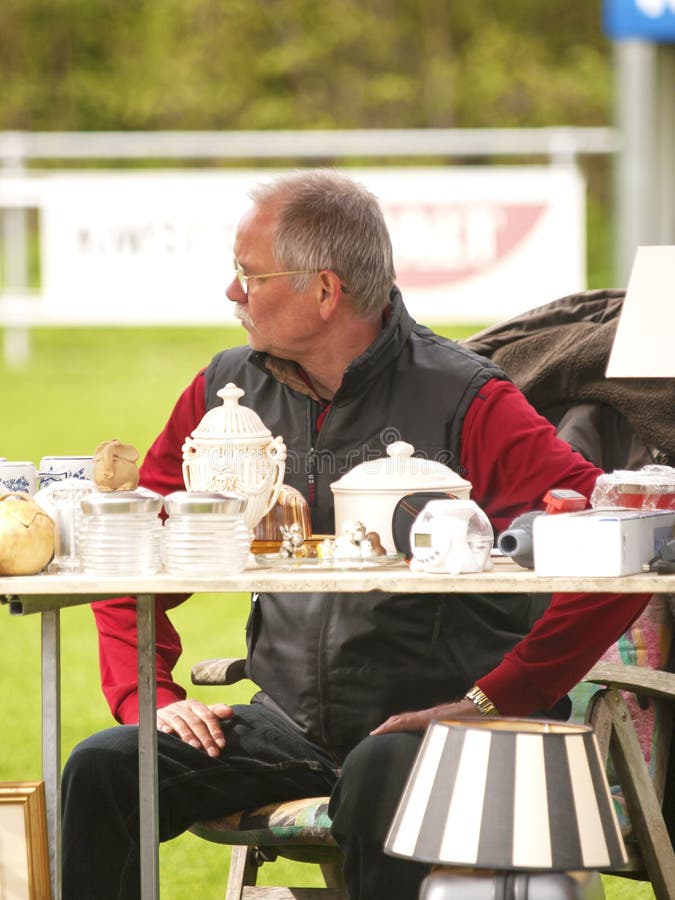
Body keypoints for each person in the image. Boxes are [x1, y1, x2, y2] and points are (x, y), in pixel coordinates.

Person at [62, 169, 648, 900]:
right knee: (105, 767)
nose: (231, 293)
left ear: (324, 290)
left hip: (437, 725)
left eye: (248, 275)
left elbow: (622, 543)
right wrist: (146, 693)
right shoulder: (221, 391)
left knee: (380, 774)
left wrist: (499, 697)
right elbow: (132, 542)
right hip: (284, 726)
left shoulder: (469, 399)